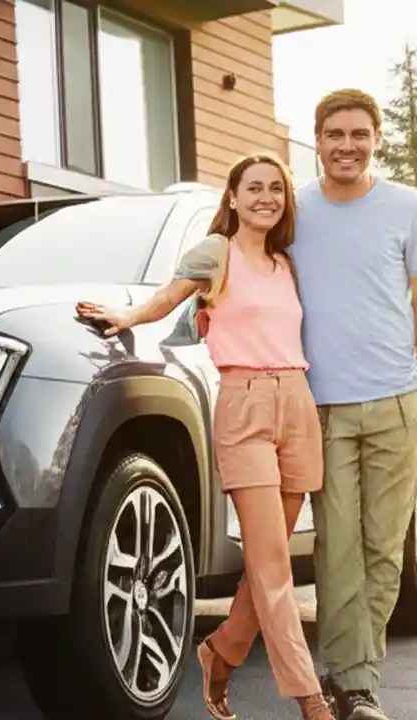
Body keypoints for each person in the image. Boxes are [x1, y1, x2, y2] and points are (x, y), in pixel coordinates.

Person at [76, 152, 334, 720]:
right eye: (254, 188)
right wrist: (126, 316)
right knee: (272, 563)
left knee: (268, 560)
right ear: (233, 198)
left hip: (298, 405)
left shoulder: (286, 265)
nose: (266, 197)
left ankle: (223, 651)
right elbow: (169, 296)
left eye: (276, 188)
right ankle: (309, 699)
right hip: (244, 406)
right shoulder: (216, 253)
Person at [289, 89, 417, 720]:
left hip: (396, 403)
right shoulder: (293, 209)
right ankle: (354, 684)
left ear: (377, 139)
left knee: (384, 549)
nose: (347, 146)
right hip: (323, 407)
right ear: (317, 140)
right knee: (337, 549)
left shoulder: (410, 209)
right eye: (335, 134)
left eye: (359, 134)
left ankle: (352, 675)